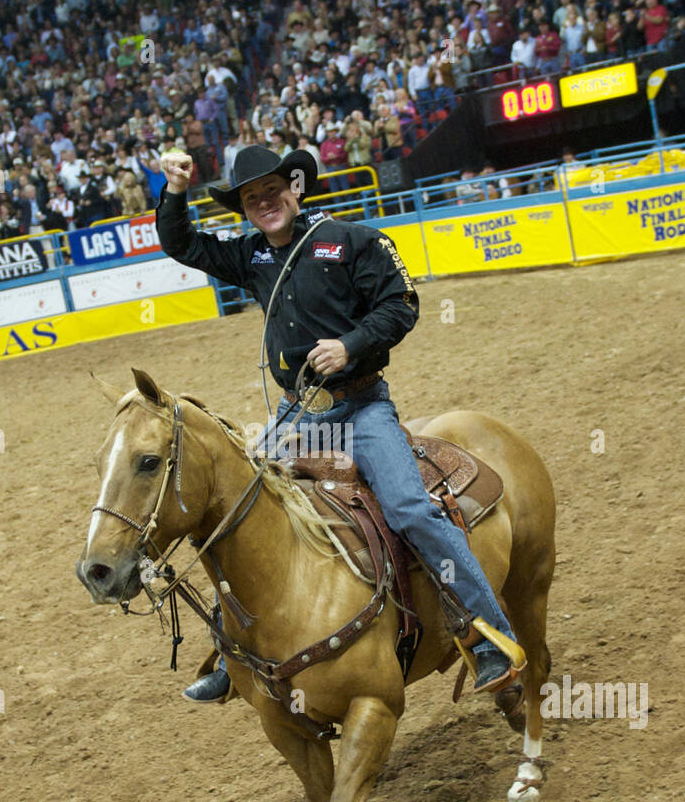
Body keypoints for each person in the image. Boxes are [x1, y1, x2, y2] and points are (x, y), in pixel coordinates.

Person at [155, 144, 524, 706]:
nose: (264, 203)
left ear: (295, 189)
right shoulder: (251, 256)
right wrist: (175, 191)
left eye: (272, 191)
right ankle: (233, 649)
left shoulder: (354, 241)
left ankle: (490, 631)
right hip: (300, 414)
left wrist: (350, 345)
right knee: (237, 509)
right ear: (246, 210)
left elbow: (401, 304)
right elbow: (182, 244)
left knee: (407, 507)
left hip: (363, 407)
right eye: (252, 198)